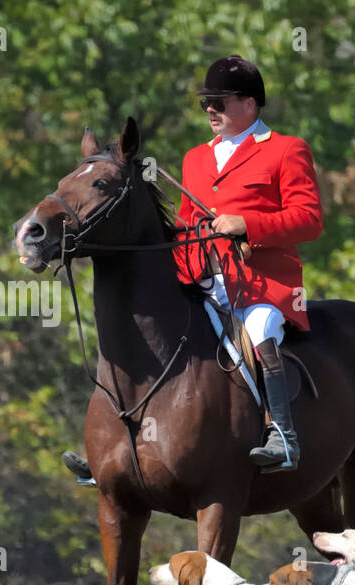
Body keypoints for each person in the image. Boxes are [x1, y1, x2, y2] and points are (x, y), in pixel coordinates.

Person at [63, 54, 322, 483]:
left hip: (264, 285)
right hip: (202, 278)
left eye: (219, 102)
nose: (210, 111)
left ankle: (283, 435)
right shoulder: (196, 159)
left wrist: (248, 225)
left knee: (259, 332)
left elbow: (309, 219)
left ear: (249, 104)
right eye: (206, 103)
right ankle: (114, 444)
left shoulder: (285, 149)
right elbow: (186, 227)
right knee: (145, 334)